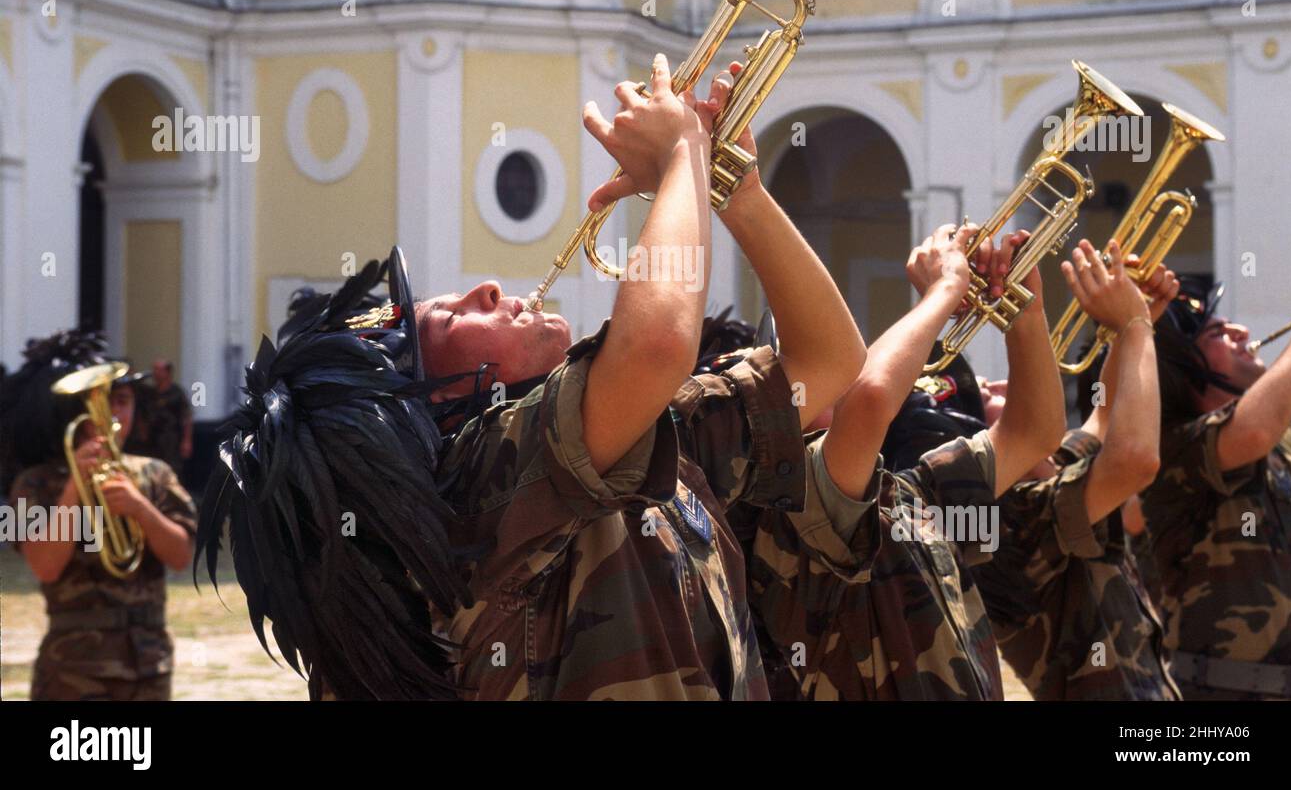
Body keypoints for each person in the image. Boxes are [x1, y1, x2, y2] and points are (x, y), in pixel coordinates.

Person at [201, 55, 869, 700]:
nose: (487, 289)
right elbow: (658, 344)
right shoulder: (482, 477)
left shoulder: (634, 434)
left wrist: (739, 192)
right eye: (449, 320)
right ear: (430, 414)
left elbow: (829, 361)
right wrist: (681, 157)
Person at [744, 221, 1067, 699]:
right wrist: (943, 291)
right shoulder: (787, 503)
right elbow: (870, 399)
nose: (840, 370)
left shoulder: (913, 492)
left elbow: (1035, 431)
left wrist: (1024, 310)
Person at [971, 240, 1182, 700]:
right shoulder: (1013, 522)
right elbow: (1135, 459)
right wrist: (1135, 325)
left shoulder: (1054, 469)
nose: (1006, 383)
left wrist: (1133, 319)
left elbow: (1104, 417)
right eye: (988, 393)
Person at [2, 330, 197, 700]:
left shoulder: (155, 474)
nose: (113, 415)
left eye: (123, 402)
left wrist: (140, 508)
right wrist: (74, 489)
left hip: (148, 662)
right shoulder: (36, 483)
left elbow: (181, 556)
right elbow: (44, 567)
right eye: (103, 403)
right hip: (73, 667)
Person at [1143, 275, 1291, 699]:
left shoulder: (1285, 438)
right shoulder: (1168, 448)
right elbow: (1250, 432)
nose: (1242, 332)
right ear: (1181, 364)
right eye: (1217, 332)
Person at [129, 360, 192, 476]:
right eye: (154, 369)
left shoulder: (176, 392)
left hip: (170, 438)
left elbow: (186, 417)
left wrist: (186, 441)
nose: (155, 372)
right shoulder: (149, 392)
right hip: (152, 439)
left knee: (172, 470)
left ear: (167, 372)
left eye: (159, 369)